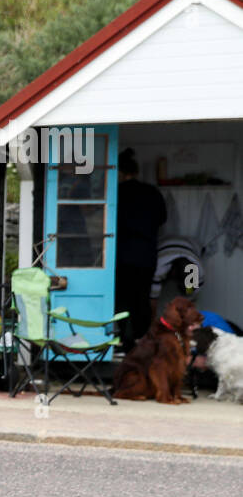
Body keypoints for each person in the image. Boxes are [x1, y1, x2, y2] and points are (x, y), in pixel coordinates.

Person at [114, 147, 166, 350]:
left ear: (120, 173)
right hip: (146, 255)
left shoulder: (116, 193)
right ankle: (141, 338)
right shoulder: (152, 192)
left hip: (122, 254)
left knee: (123, 298)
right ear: (136, 172)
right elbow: (163, 218)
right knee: (142, 298)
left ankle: (125, 338)